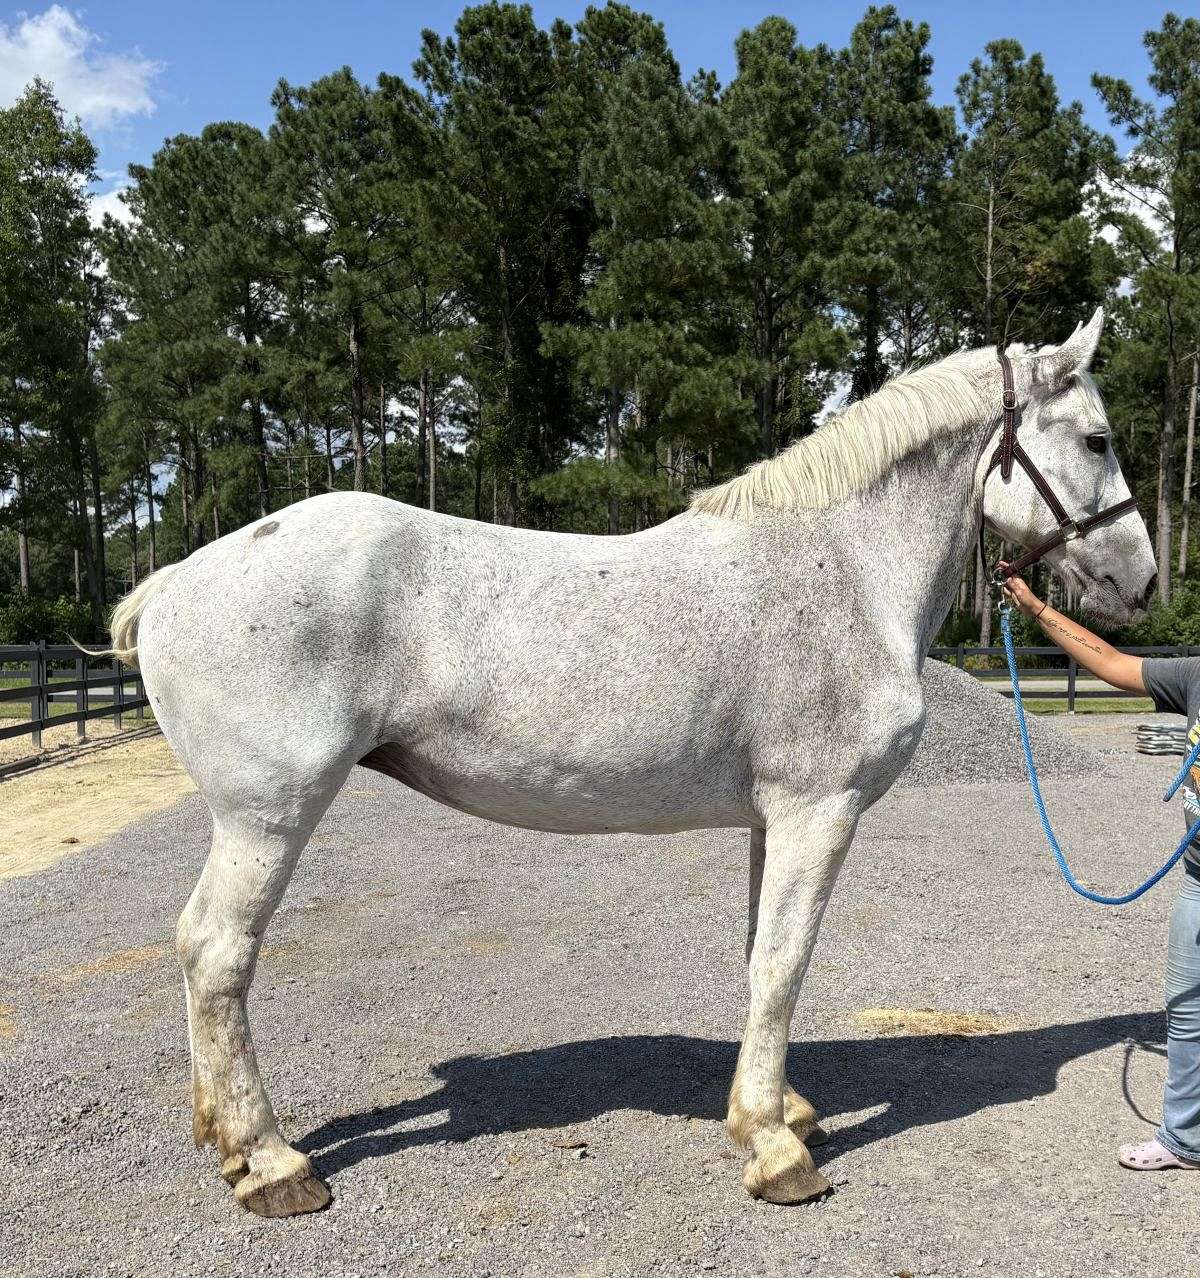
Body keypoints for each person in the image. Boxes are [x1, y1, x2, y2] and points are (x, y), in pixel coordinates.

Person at [1001, 570, 1200, 1170]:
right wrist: (1035, 606)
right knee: (1186, 1007)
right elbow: (1111, 663)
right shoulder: (1195, 675)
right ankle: (1184, 1139)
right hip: (1199, 875)